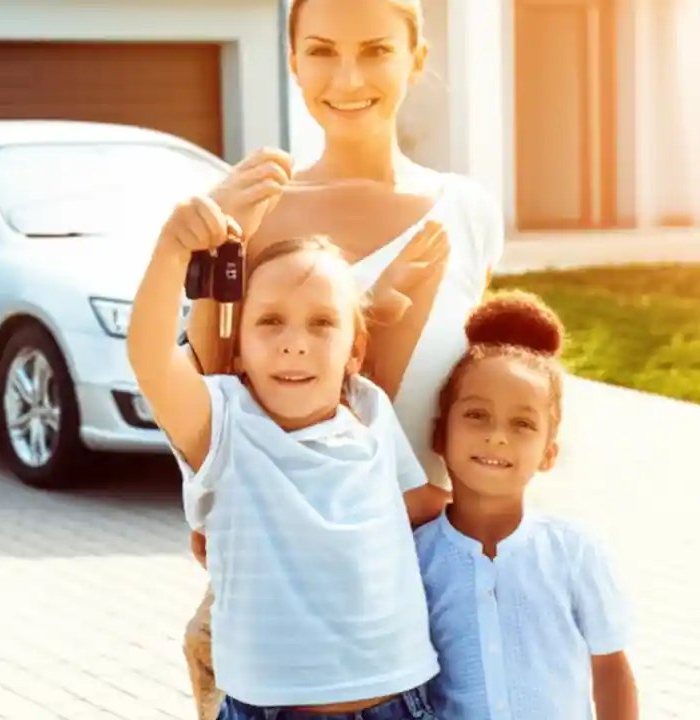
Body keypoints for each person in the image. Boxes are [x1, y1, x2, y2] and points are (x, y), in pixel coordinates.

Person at [177, 0, 507, 716]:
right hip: (288, 606)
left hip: (437, 581)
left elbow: (468, 395)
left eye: (377, 51)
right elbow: (208, 393)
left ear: (416, 59)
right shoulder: (256, 213)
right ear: (292, 60)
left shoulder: (468, 211)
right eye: (322, 50)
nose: (348, 76)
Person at [128, 202, 443, 717]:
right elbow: (149, 359)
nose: (294, 344)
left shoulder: (370, 409)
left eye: (322, 324)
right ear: (239, 348)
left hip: (398, 701)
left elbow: (418, 505)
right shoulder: (222, 422)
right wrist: (170, 250)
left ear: (354, 350)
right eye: (270, 322)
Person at [415, 291, 639, 719]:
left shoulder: (574, 551)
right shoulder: (417, 557)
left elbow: (610, 667)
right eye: (477, 415)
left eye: (522, 424)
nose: (497, 437)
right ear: (439, 436)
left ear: (548, 453)